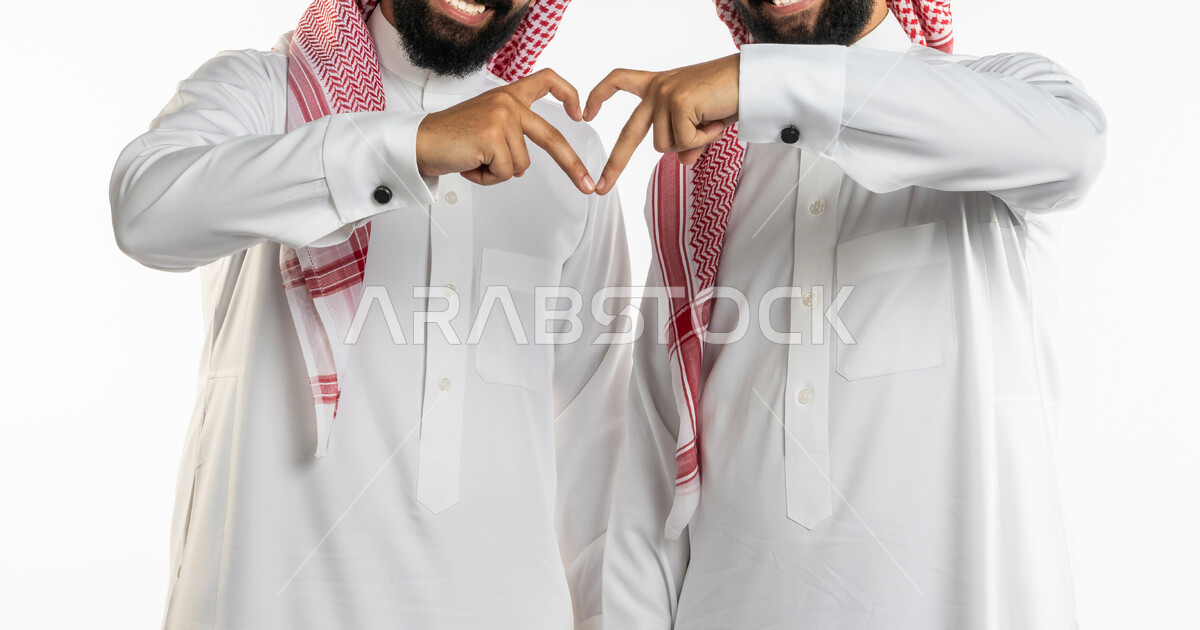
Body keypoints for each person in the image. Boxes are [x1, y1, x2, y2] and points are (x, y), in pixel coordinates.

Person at [109, 0, 630, 628]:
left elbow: (595, 447)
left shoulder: (568, 153)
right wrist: (407, 148)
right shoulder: (264, 92)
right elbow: (146, 211)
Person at [594, 0, 1106, 628]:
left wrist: (763, 81)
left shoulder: (991, 101)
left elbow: (1075, 150)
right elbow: (651, 486)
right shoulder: (699, 177)